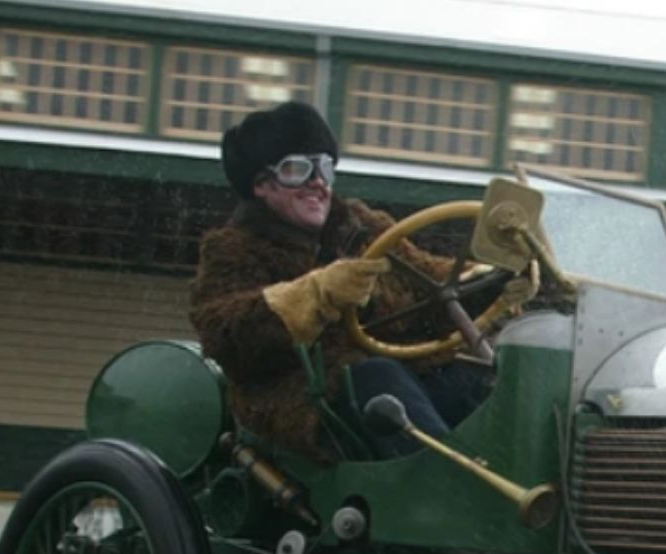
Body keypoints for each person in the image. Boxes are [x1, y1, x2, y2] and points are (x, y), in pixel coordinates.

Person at [189, 101, 511, 461]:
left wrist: (492, 279)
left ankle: (516, 484)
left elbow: (431, 281)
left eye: (324, 169)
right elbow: (226, 334)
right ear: (261, 185)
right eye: (298, 170)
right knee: (377, 380)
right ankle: (445, 493)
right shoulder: (233, 250)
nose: (317, 183)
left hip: (397, 379)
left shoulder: (360, 228)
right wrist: (313, 296)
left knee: (478, 382)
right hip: (303, 399)